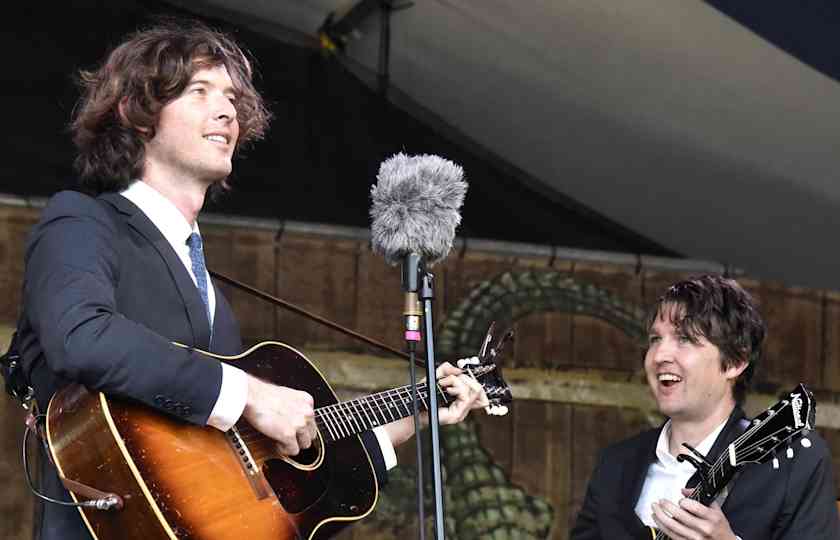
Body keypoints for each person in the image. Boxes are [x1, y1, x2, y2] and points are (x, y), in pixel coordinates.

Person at [15, 20, 488, 540]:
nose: (226, 111)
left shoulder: (212, 298)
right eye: (199, 91)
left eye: (232, 99)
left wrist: (419, 411)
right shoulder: (82, 222)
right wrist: (248, 395)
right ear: (134, 112)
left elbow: (256, 500)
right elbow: (82, 337)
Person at [570, 275, 839, 539]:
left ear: (735, 361)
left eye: (684, 338)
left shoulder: (796, 465)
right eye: (655, 339)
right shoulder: (614, 464)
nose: (659, 356)